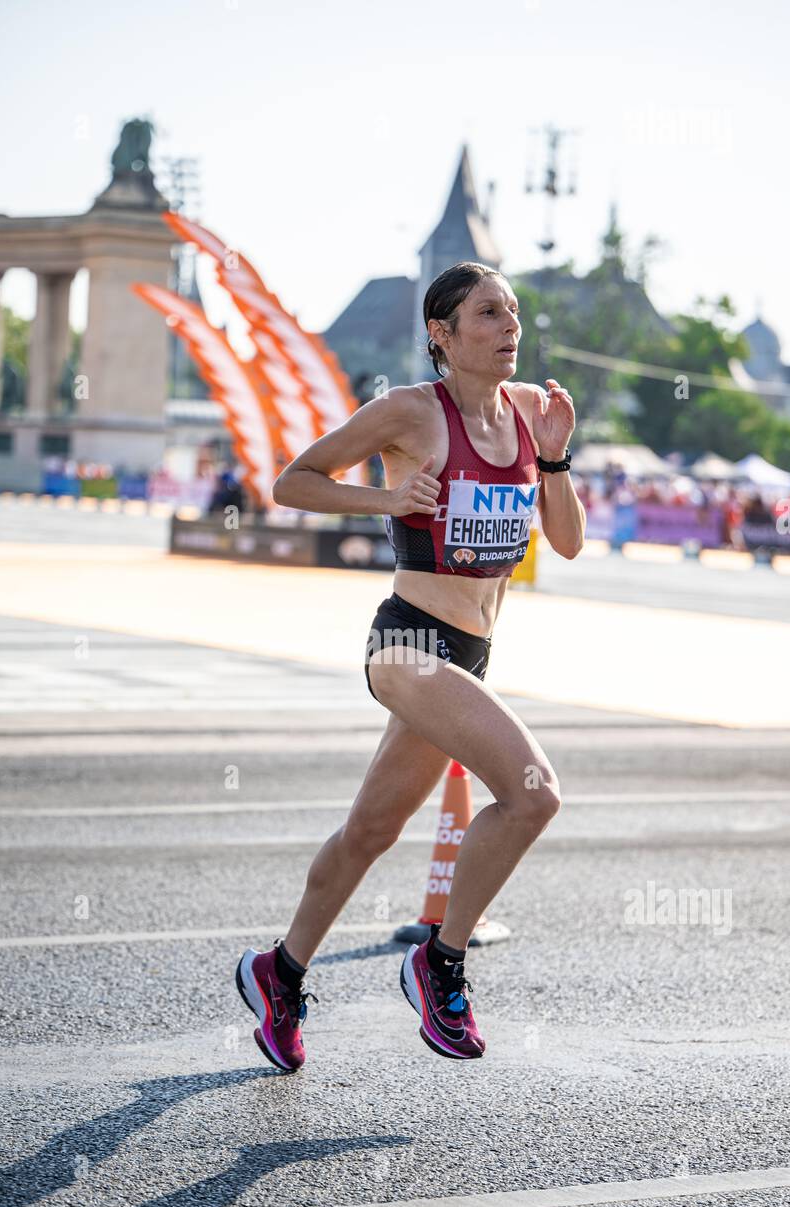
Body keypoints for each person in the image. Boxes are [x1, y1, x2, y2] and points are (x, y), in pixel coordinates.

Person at [235, 261, 583, 1071]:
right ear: (443, 333)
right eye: (489, 314)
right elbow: (294, 480)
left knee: (371, 831)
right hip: (408, 643)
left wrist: (558, 460)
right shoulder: (405, 412)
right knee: (534, 795)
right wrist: (385, 501)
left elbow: (565, 542)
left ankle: (278, 972)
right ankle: (441, 960)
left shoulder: (536, 412)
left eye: (514, 313)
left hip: (473, 654)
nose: (511, 329)